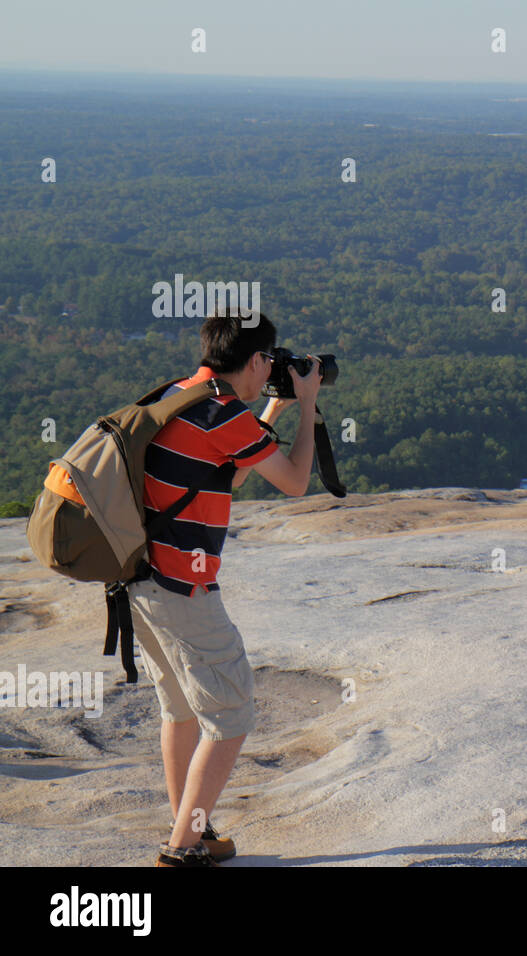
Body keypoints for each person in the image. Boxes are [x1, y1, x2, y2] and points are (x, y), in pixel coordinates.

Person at [127, 311, 322, 866]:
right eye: (270, 362)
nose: (273, 371)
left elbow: (225, 473)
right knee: (231, 713)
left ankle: (192, 827)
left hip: (139, 579)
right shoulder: (222, 413)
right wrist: (307, 404)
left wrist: (272, 408)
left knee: (181, 711)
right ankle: (180, 852)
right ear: (257, 360)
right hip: (183, 590)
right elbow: (295, 482)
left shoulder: (181, 393)